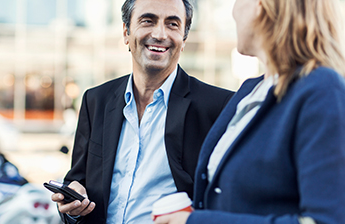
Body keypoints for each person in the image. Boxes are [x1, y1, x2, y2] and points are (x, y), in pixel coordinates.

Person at [153, 0, 345, 223]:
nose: (233, 11)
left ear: (261, 5)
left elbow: (326, 219)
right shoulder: (249, 92)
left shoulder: (321, 89)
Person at [51, 0, 234, 223]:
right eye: (148, 21)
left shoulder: (219, 107)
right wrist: (73, 205)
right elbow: (76, 182)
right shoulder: (96, 100)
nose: (160, 34)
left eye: (173, 24)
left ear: (184, 39)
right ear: (126, 32)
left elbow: (229, 200)